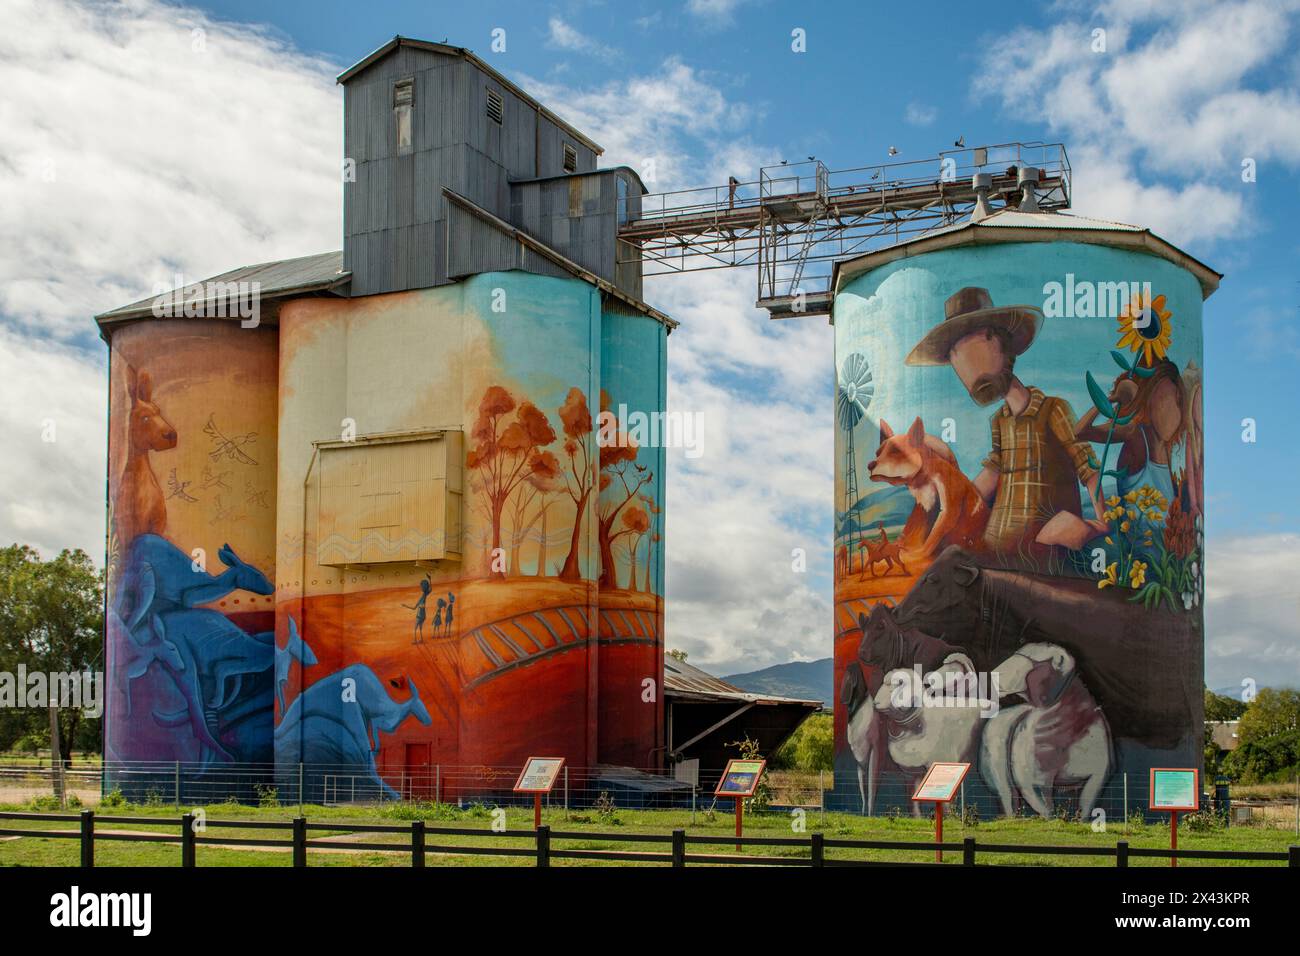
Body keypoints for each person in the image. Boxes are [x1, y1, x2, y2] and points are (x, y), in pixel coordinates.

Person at [906, 286, 1106, 557]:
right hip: (998, 550)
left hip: (1044, 554)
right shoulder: (999, 420)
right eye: (955, 355)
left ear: (995, 340)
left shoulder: (1053, 409)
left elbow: (1089, 468)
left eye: (968, 348)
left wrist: (1098, 524)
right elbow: (994, 472)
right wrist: (955, 503)